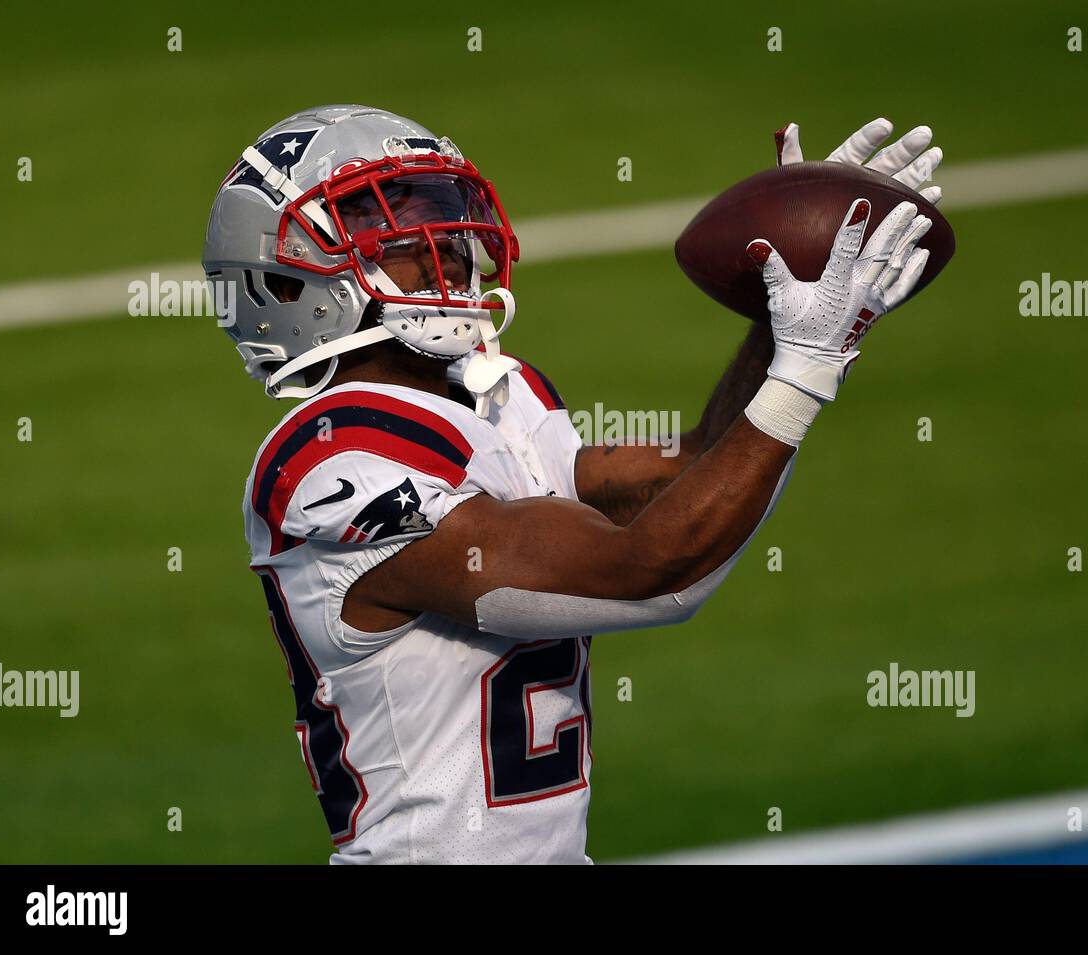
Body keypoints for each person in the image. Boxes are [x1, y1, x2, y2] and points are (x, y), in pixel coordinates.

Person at [202, 105, 944, 863]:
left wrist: (802, 296)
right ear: (287, 279)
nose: (444, 247)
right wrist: (806, 366)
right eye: (382, 220)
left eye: (436, 208)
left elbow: (692, 478)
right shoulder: (328, 462)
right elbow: (648, 572)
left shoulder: (498, 388)